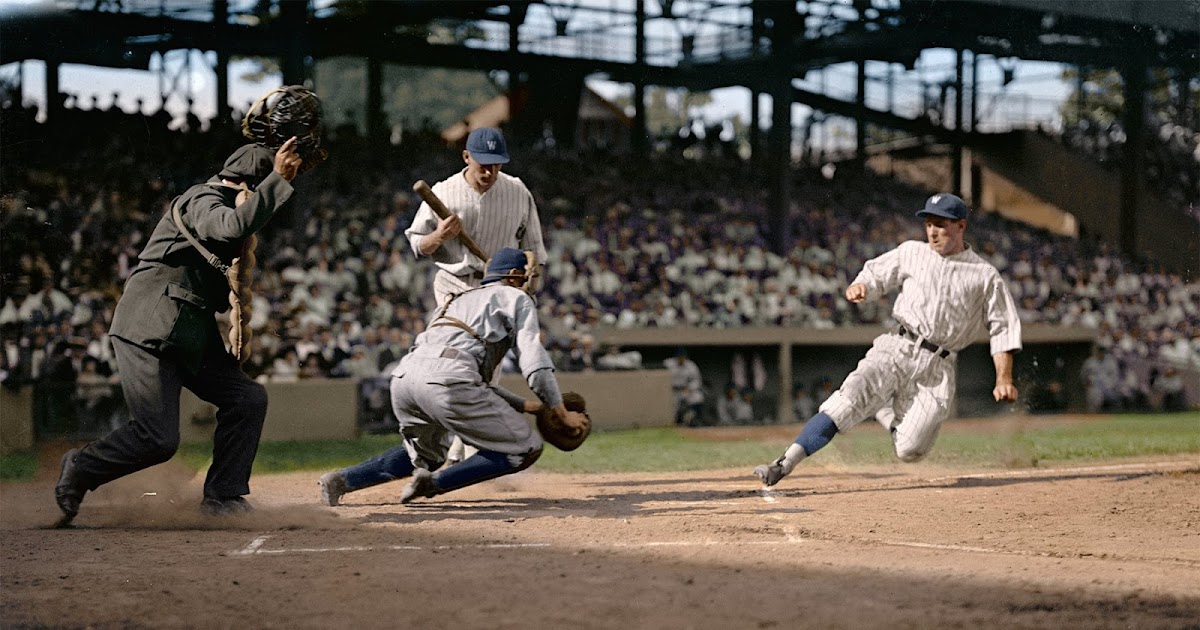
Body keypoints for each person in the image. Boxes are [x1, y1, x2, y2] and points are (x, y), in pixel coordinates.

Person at [54, 138, 307, 525]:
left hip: (190, 331)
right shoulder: (202, 199)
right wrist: (278, 180)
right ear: (245, 186)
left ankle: (223, 496)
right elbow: (232, 225)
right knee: (158, 439)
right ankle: (81, 467)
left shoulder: (221, 202)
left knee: (247, 399)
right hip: (151, 329)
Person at [754, 193, 1022, 487]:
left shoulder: (985, 276)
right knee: (846, 401)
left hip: (938, 367)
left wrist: (1003, 378)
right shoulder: (912, 252)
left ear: (961, 226)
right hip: (897, 347)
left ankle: (884, 412)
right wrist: (861, 285)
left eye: (941, 225)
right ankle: (784, 463)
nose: (932, 231)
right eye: (929, 224)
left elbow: (1003, 326)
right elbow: (876, 273)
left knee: (910, 450)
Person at [317, 248, 585, 506]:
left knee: (426, 456)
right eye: (528, 276)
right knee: (525, 448)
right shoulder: (515, 298)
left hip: (406, 377)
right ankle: (434, 483)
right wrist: (560, 411)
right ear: (514, 275)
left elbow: (474, 380)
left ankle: (341, 480)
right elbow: (534, 362)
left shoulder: (455, 300)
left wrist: (529, 407)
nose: (531, 283)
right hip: (448, 378)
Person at [404, 126, 548, 464]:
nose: (489, 171)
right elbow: (417, 244)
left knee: (487, 365)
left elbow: (534, 249)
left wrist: (530, 284)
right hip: (456, 283)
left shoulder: (516, 190)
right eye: (483, 163)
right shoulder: (445, 191)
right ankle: (450, 442)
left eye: (496, 164)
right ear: (466, 157)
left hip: (499, 288)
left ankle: (463, 444)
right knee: (452, 358)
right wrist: (439, 235)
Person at [664, 347, 704, 426]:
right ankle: (672, 424)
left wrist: (689, 388)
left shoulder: (691, 365)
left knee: (698, 397)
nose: (681, 359)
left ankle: (687, 418)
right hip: (671, 391)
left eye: (683, 357)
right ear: (676, 357)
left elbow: (697, 381)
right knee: (673, 408)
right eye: (679, 357)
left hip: (685, 390)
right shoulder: (668, 364)